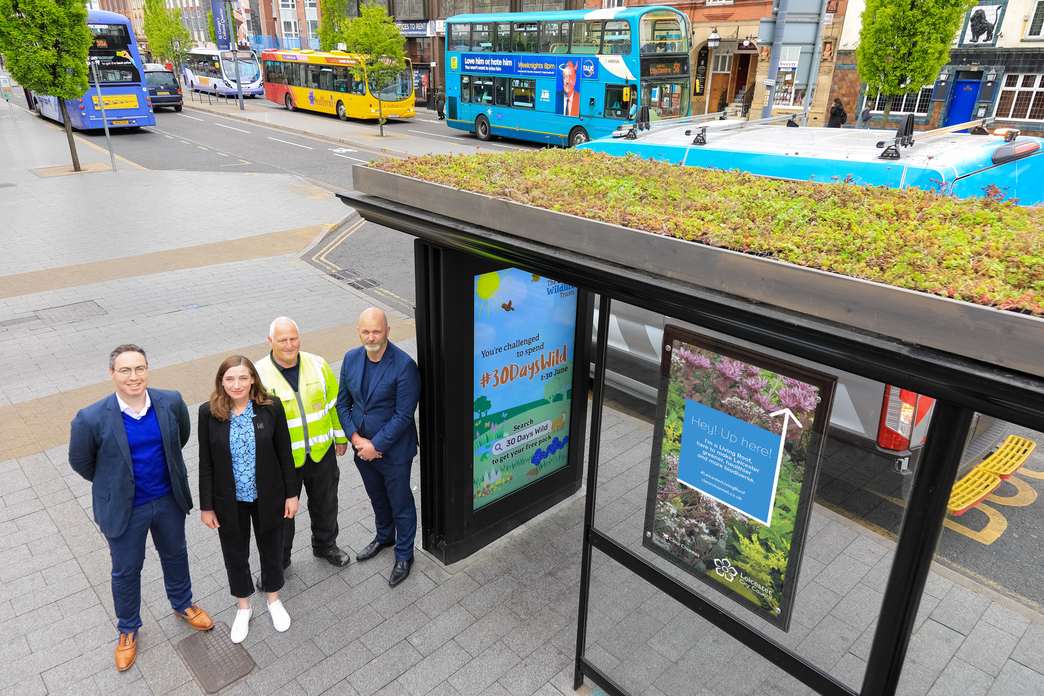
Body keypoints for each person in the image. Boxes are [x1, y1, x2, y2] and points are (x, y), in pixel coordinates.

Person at [69, 345, 213, 672]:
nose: (134, 377)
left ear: (147, 370)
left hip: (167, 500)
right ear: (112, 374)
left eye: (140, 369)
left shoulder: (171, 401)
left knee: (176, 554)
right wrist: (113, 481)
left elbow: (181, 437)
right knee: (126, 569)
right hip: (124, 509)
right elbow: (81, 462)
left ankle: (182, 604)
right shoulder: (91, 418)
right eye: (125, 370)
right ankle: (128, 628)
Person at [198, 356, 300, 643]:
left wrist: (291, 494)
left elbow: (285, 453)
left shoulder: (270, 407)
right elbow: (205, 462)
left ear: (253, 378)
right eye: (229, 379)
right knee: (235, 554)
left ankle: (273, 600)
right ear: (221, 382)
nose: (237, 384)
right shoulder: (209, 412)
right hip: (229, 500)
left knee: (271, 548)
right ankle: (243, 608)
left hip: (269, 495)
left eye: (243, 377)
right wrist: (207, 506)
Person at [255, 318, 350, 567]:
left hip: (321, 452)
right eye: (282, 339)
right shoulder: (258, 374)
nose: (289, 345)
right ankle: (280, 561)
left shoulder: (318, 364)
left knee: (326, 504)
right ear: (270, 341)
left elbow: (333, 405)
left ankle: (325, 546)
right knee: (283, 514)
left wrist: (340, 437)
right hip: (283, 461)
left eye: (293, 338)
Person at [337, 308, 422, 587]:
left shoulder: (404, 365)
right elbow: (343, 404)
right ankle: (385, 537)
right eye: (365, 331)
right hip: (363, 451)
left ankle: (404, 555)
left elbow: (404, 415)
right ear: (359, 331)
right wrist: (355, 439)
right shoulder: (350, 359)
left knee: (401, 504)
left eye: (376, 331)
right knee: (377, 498)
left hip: (394, 452)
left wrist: (376, 445)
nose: (371, 337)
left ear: (387, 331)